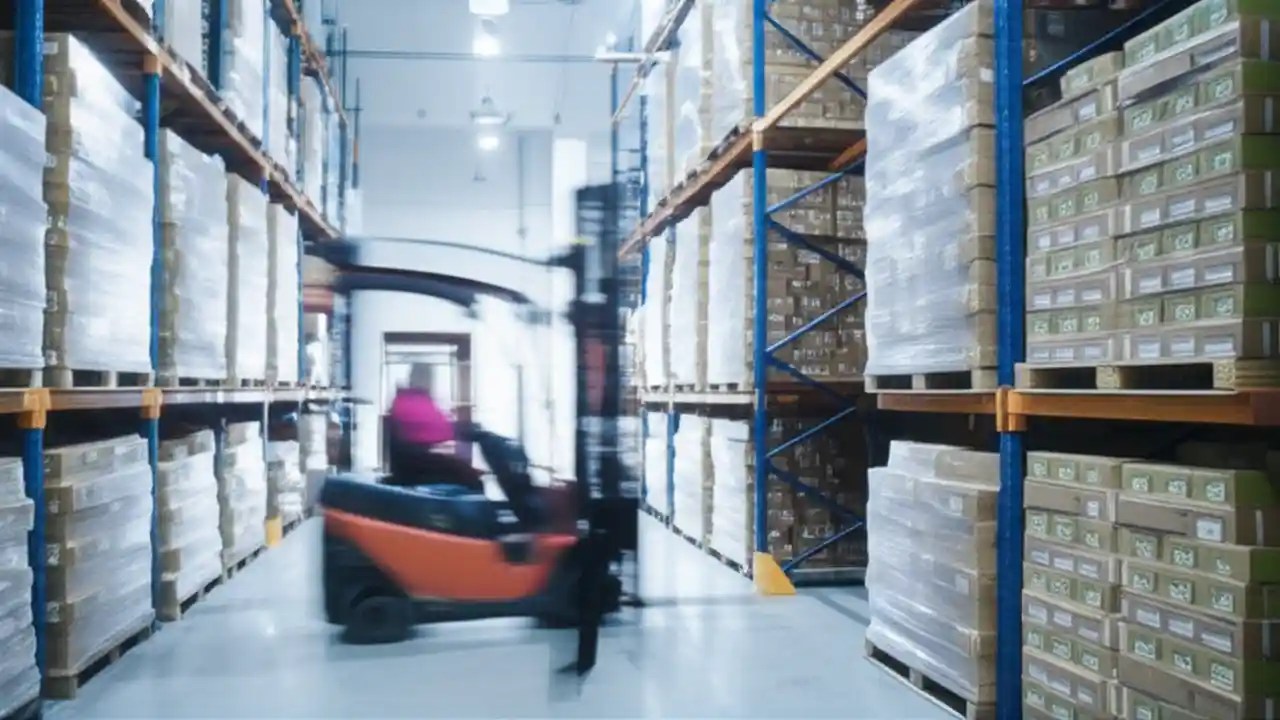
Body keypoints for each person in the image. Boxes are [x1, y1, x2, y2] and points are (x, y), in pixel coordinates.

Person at [385, 364, 484, 491]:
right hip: (414, 464)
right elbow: (435, 428)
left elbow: (432, 424)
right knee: (471, 478)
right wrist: (460, 430)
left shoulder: (410, 398)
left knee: (464, 469)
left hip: (414, 460)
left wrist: (456, 428)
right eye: (429, 378)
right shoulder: (411, 400)